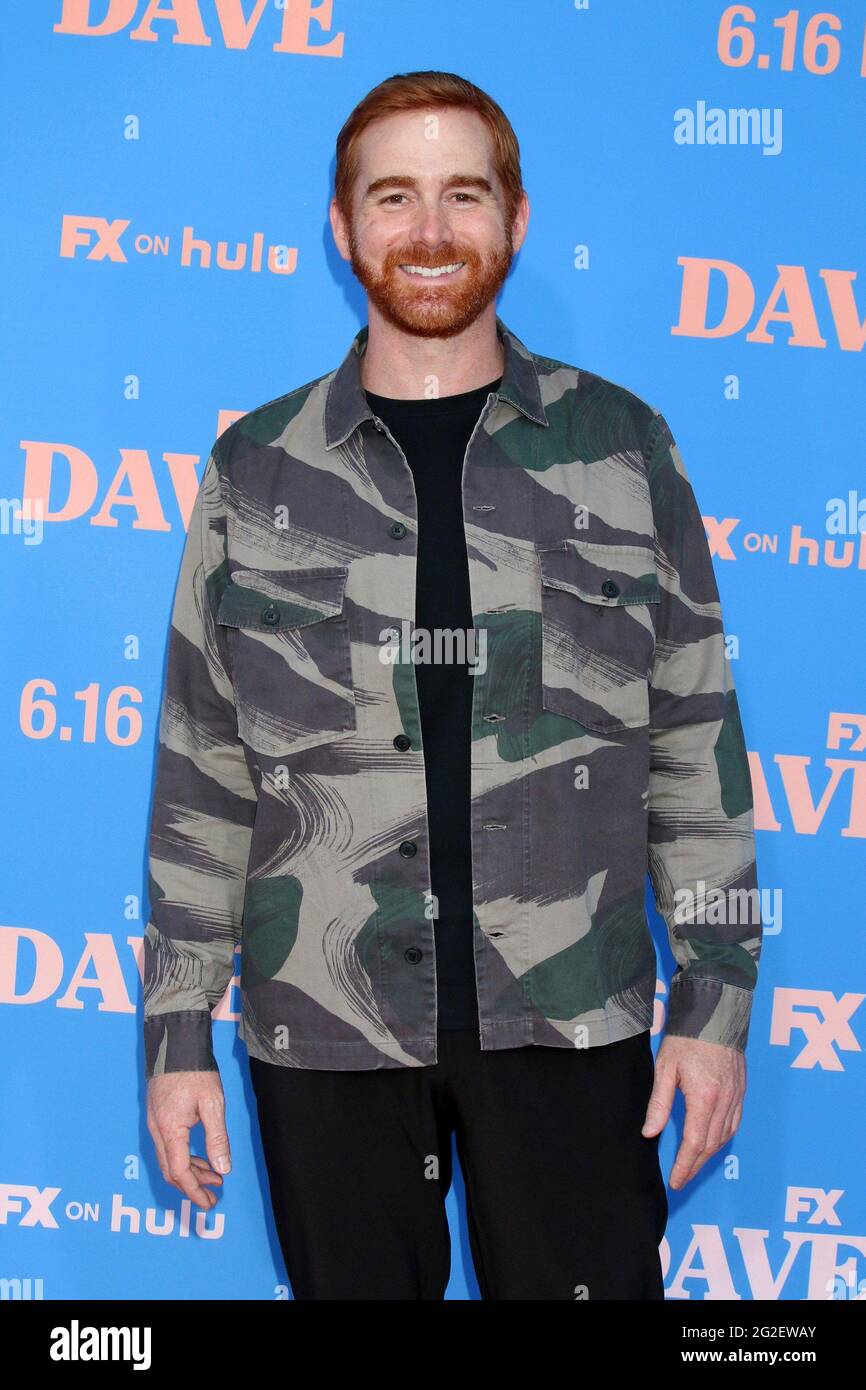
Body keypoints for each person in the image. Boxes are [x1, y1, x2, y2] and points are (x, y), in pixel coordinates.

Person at [143, 70, 761, 1300]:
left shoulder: (623, 450)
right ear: (342, 225)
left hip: (570, 1024)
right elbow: (203, 769)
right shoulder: (252, 472)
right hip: (325, 1025)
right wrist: (175, 1035)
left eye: (461, 195)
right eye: (393, 197)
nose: (427, 233)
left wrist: (715, 1003)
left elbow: (696, 743)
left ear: (514, 218)